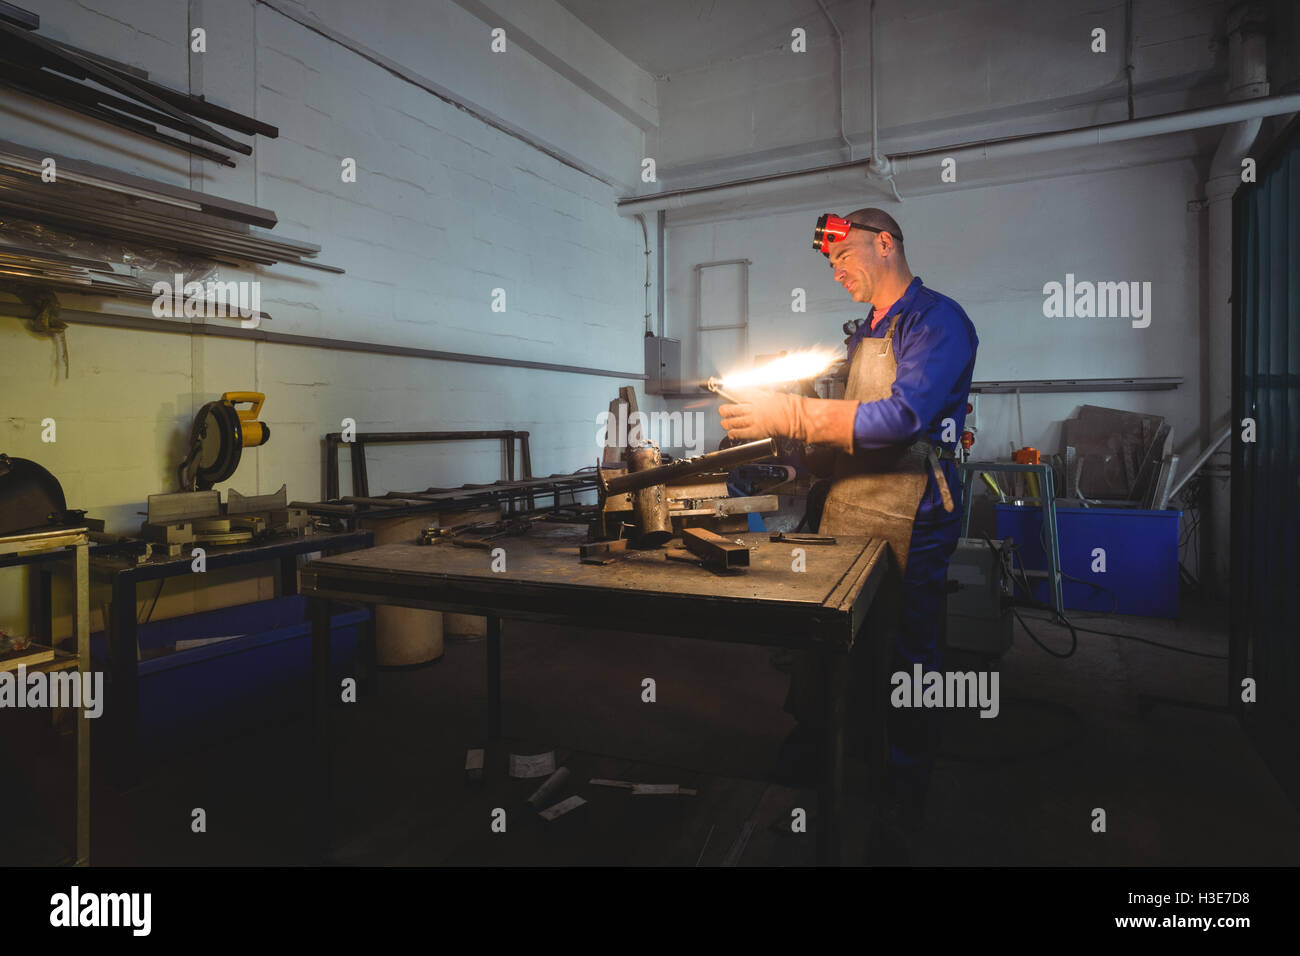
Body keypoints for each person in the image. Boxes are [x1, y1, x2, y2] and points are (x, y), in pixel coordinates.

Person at [719, 207, 979, 854]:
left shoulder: (937, 321)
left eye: (843, 257)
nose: (835, 272)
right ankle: (815, 756)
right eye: (829, 264)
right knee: (823, 635)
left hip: (912, 503)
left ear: (884, 243)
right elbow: (840, 432)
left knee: (905, 649)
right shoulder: (866, 331)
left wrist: (793, 411)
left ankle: (902, 791)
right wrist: (780, 438)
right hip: (848, 503)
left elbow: (900, 418)